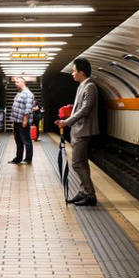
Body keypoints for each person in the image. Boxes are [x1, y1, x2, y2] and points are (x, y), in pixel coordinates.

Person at [55, 58, 99, 206]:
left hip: (83, 130)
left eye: (74, 71)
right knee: (83, 163)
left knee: (77, 163)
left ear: (81, 72)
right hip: (78, 129)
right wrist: (68, 113)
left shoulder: (90, 87)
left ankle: (90, 195)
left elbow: (85, 109)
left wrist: (67, 121)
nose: (72, 74)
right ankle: (84, 191)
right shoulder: (82, 85)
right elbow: (80, 107)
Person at [8, 77, 34, 165]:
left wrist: (25, 120)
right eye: (15, 82)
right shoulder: (20, 93)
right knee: (18, 141)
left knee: (26, 141)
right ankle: (18, 158)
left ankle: (28, 159)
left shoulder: (28, 94)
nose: (16, 83)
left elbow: (28, 109)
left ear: (23, 82)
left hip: (23, 121)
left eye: (17, 82)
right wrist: (13, 121)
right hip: (17, 121)